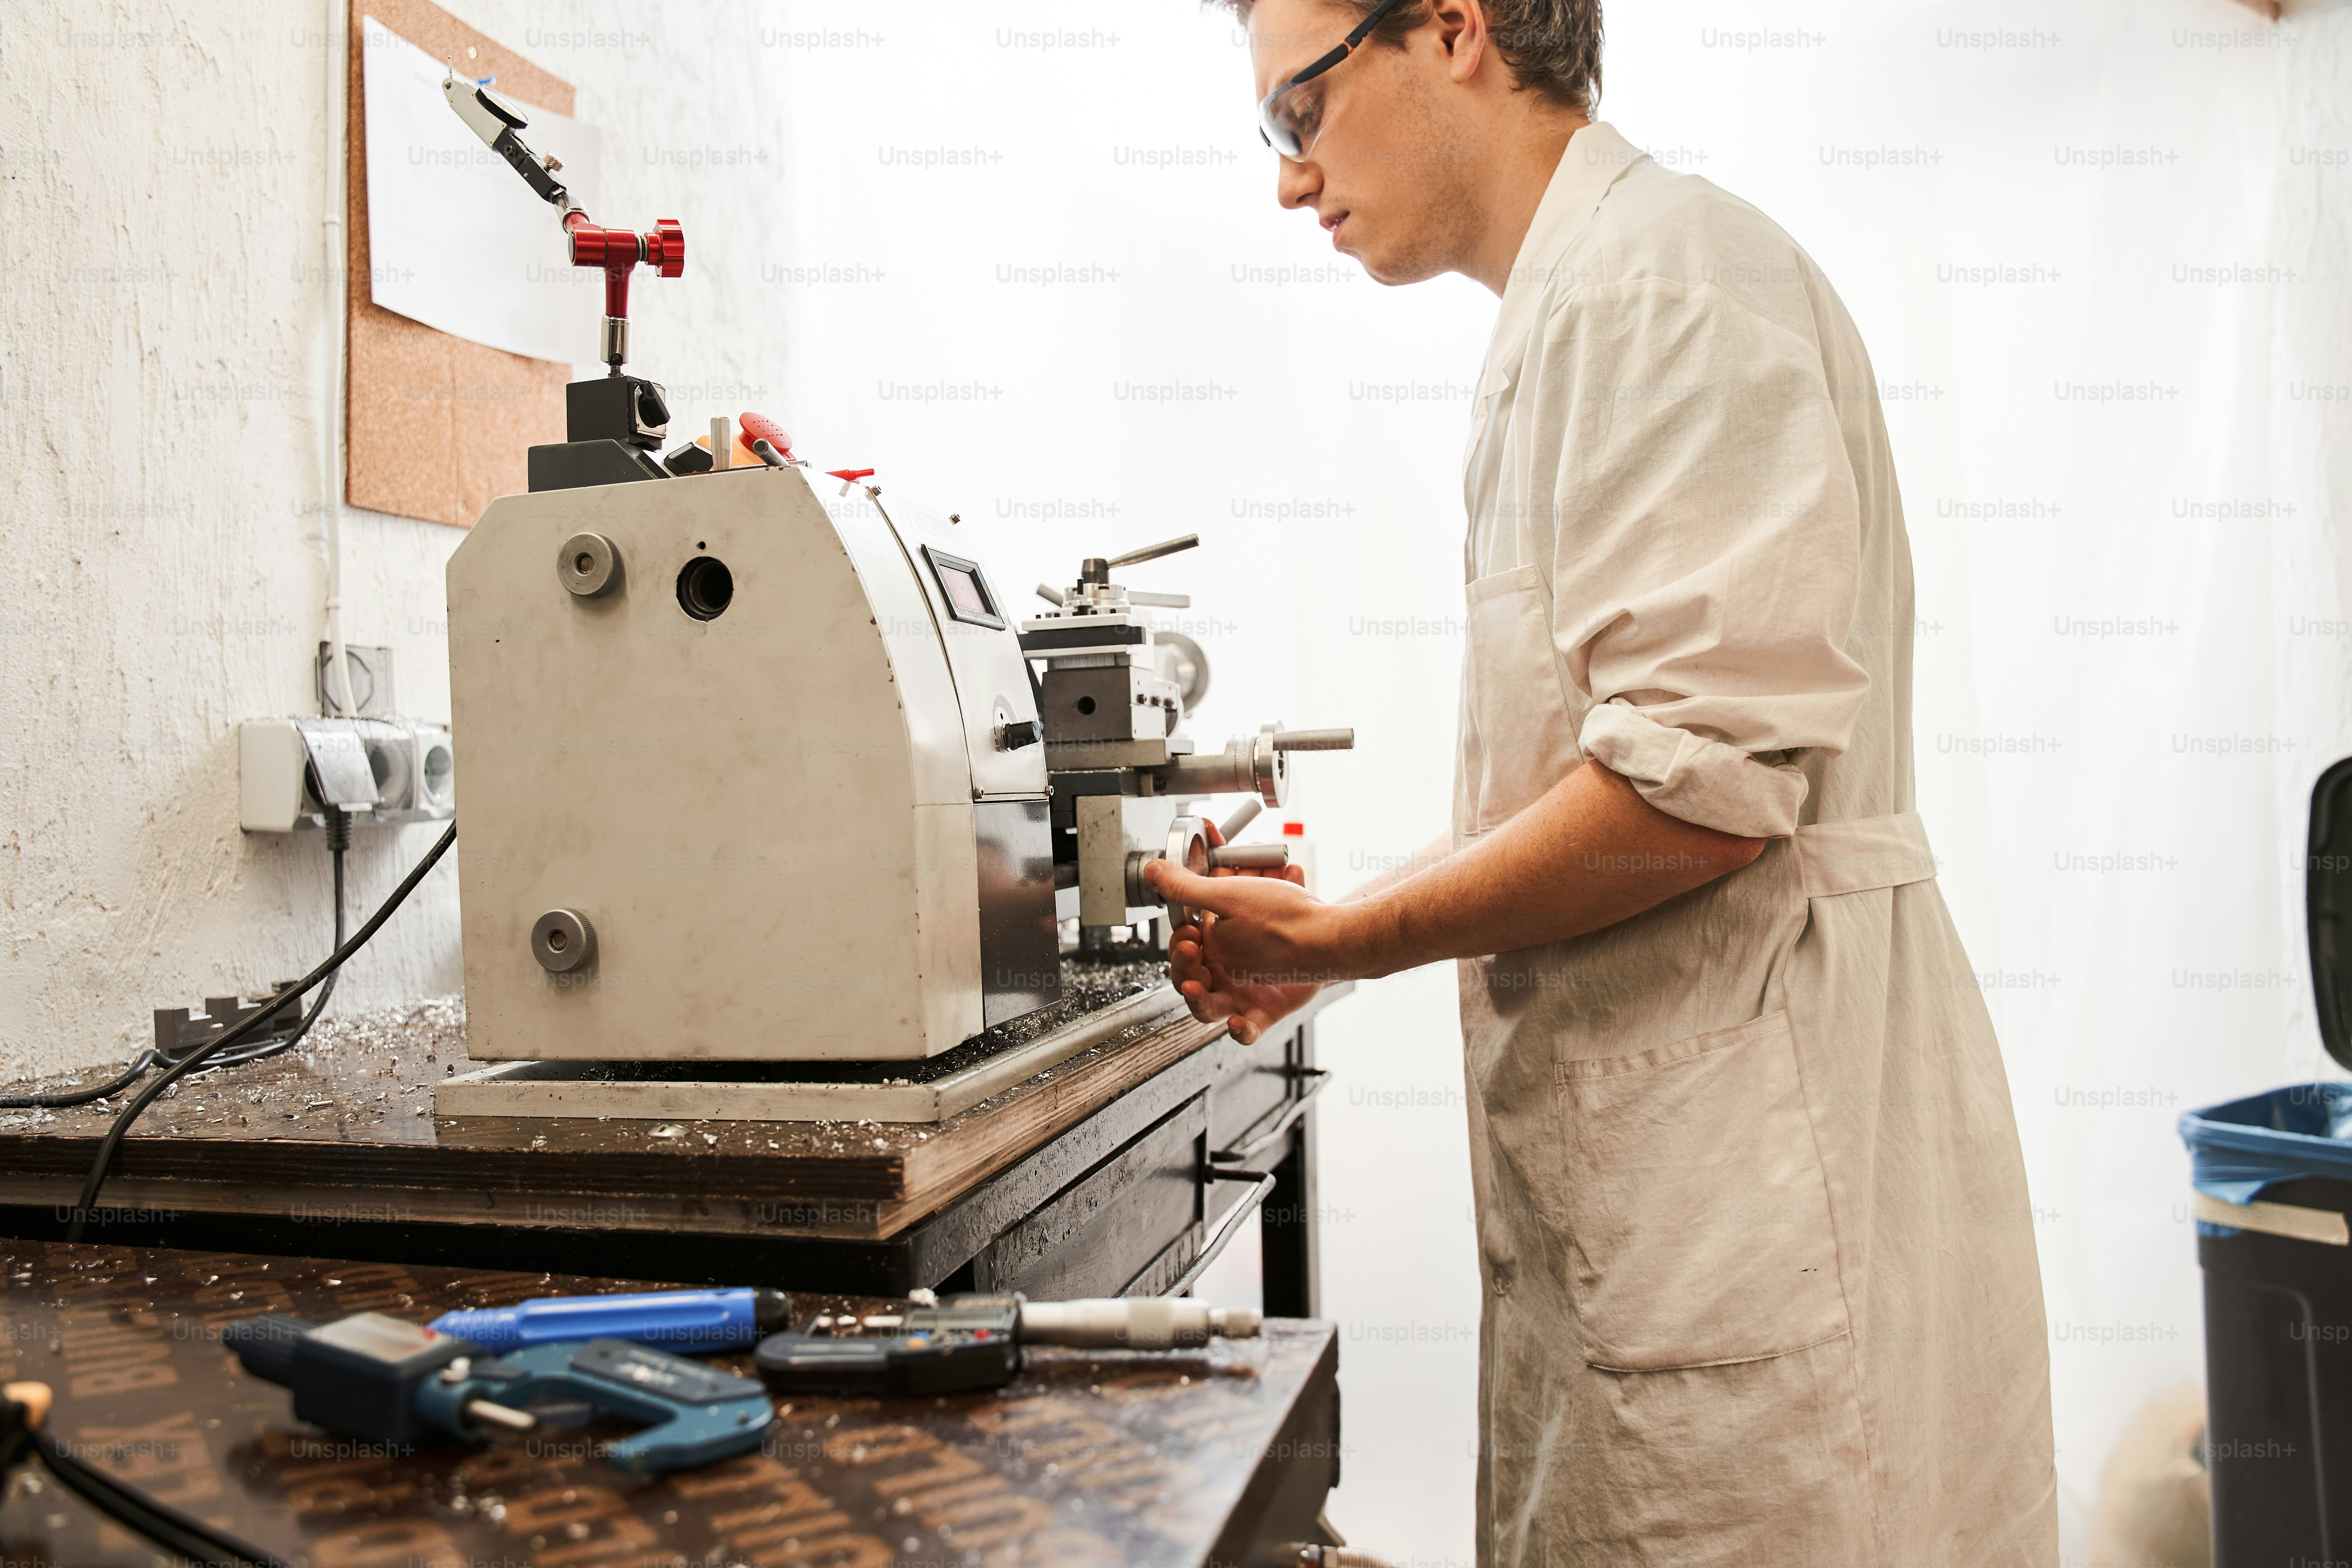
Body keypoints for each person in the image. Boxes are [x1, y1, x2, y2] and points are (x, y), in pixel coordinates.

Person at [1140, 0, 2060, 1561]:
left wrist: (1356, 938)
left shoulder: (1659, 291)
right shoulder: (1580, 308)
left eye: (1299, 114)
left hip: (1753, 1192)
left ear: (1452, 28)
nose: (1290, 180)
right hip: (1686, 1179)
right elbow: (1608, 768)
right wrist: (1350, 920)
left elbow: (1694, 795)